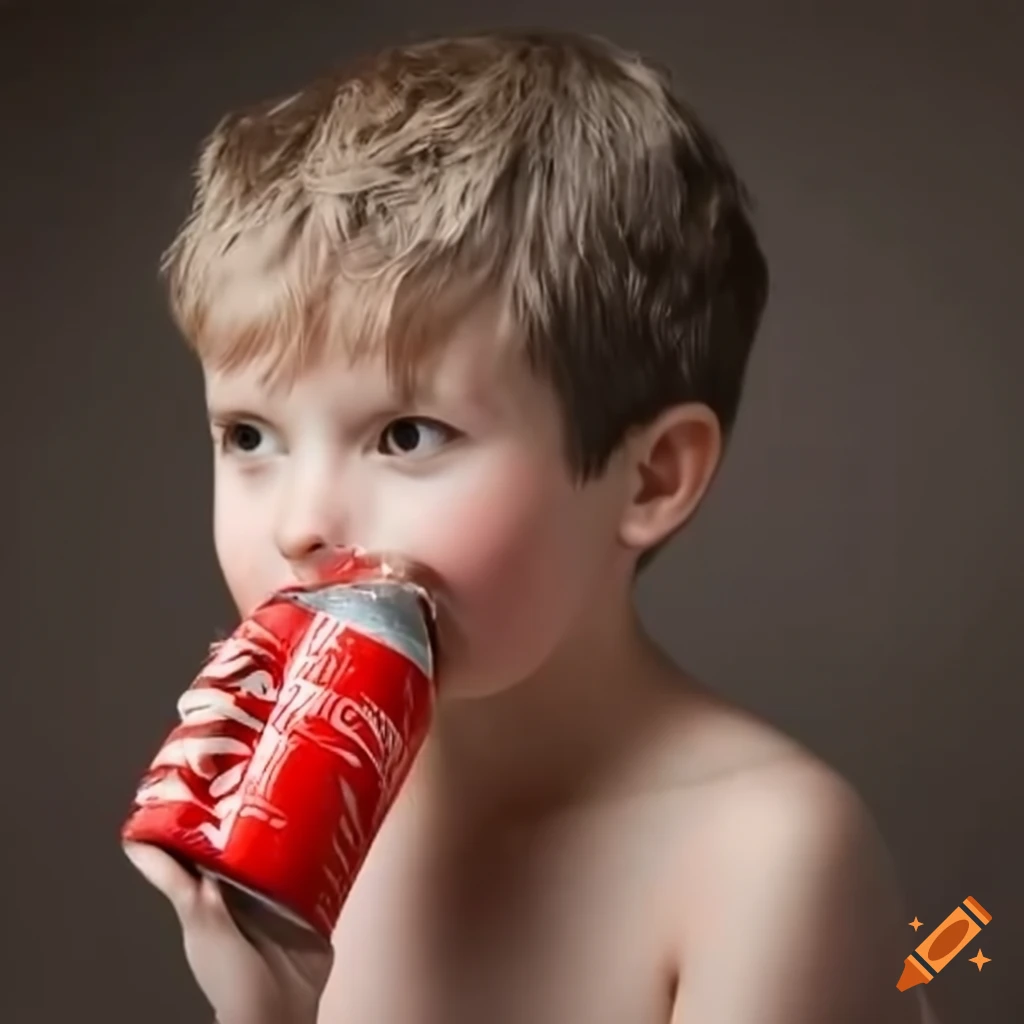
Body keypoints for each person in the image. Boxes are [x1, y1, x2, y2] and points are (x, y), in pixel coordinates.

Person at [122, 28, 938, 1024]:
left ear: (650, 478)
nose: (301, 523)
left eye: (407, 434)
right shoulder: (308, 826)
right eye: (250, 434)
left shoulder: (767, 857)